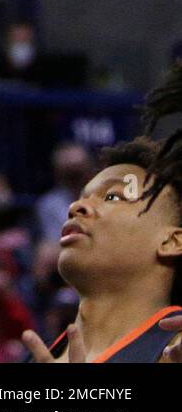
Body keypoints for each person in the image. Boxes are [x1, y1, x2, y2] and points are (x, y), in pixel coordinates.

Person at [23, 62, 182, 363]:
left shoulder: (174, 350)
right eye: (83, 196)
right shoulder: (37, 356)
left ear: (172, 241)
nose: (76, 207)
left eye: (113, 195)